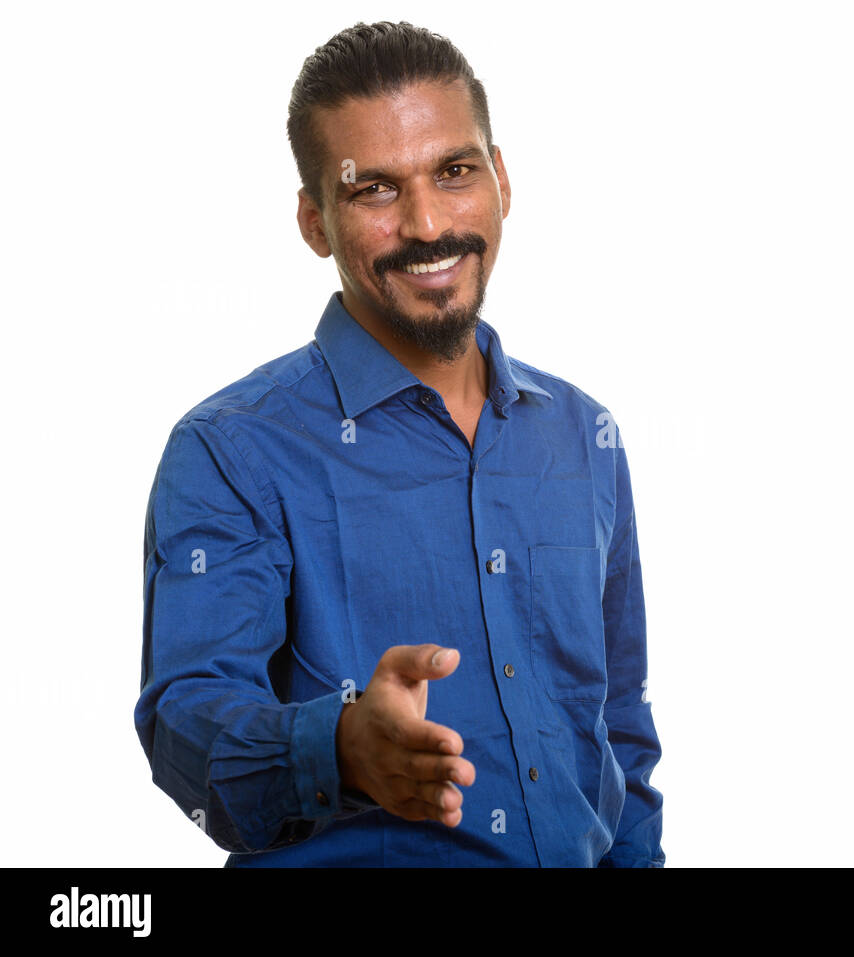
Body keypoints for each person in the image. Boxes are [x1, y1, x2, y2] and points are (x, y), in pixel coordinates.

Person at [134, 21, 664, 867]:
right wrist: (340, 746)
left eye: (454, 172)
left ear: (501, 179)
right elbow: (184, 726)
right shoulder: (232, 449)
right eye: (374, 189)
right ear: (315, 221)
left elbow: (619, 732)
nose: (426, 224)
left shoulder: (583, 433)